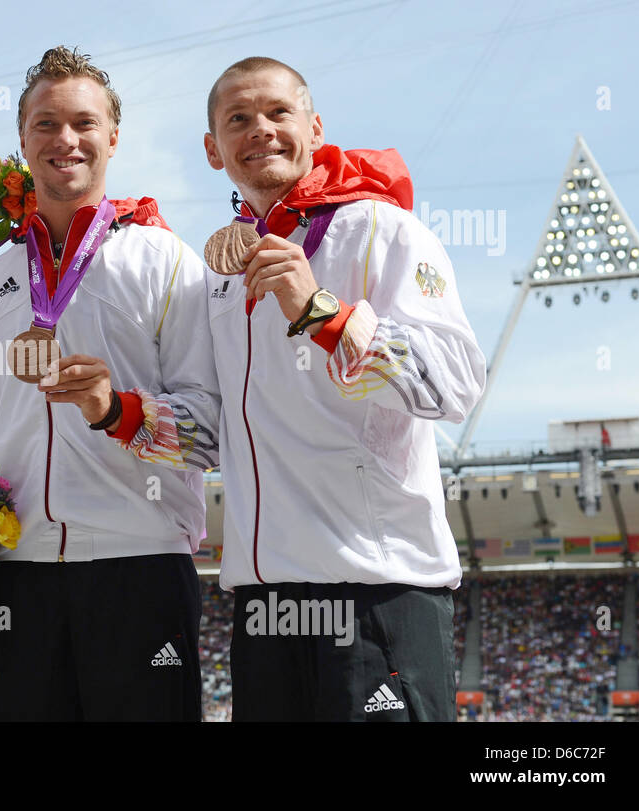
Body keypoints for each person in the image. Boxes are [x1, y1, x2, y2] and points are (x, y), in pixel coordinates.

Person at [0, 46, 221, 721]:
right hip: (16, 572)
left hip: (141, 563)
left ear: (113, 138)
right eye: (45, 124)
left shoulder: (164, 260)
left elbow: (210, 431)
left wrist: (116, 410)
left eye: (84, 123)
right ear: (22, 140)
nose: (65, 139)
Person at [201, 56, 487, 721]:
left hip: (379, 594)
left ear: (315, 125)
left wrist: (324, 314)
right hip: (266, 605)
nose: (260, 130)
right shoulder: (216, 277)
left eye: (278, 112)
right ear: (214, 150)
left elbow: (455, 383)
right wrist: (111, 408)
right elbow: (214, 428)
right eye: (238, 119)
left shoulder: (382, 231)